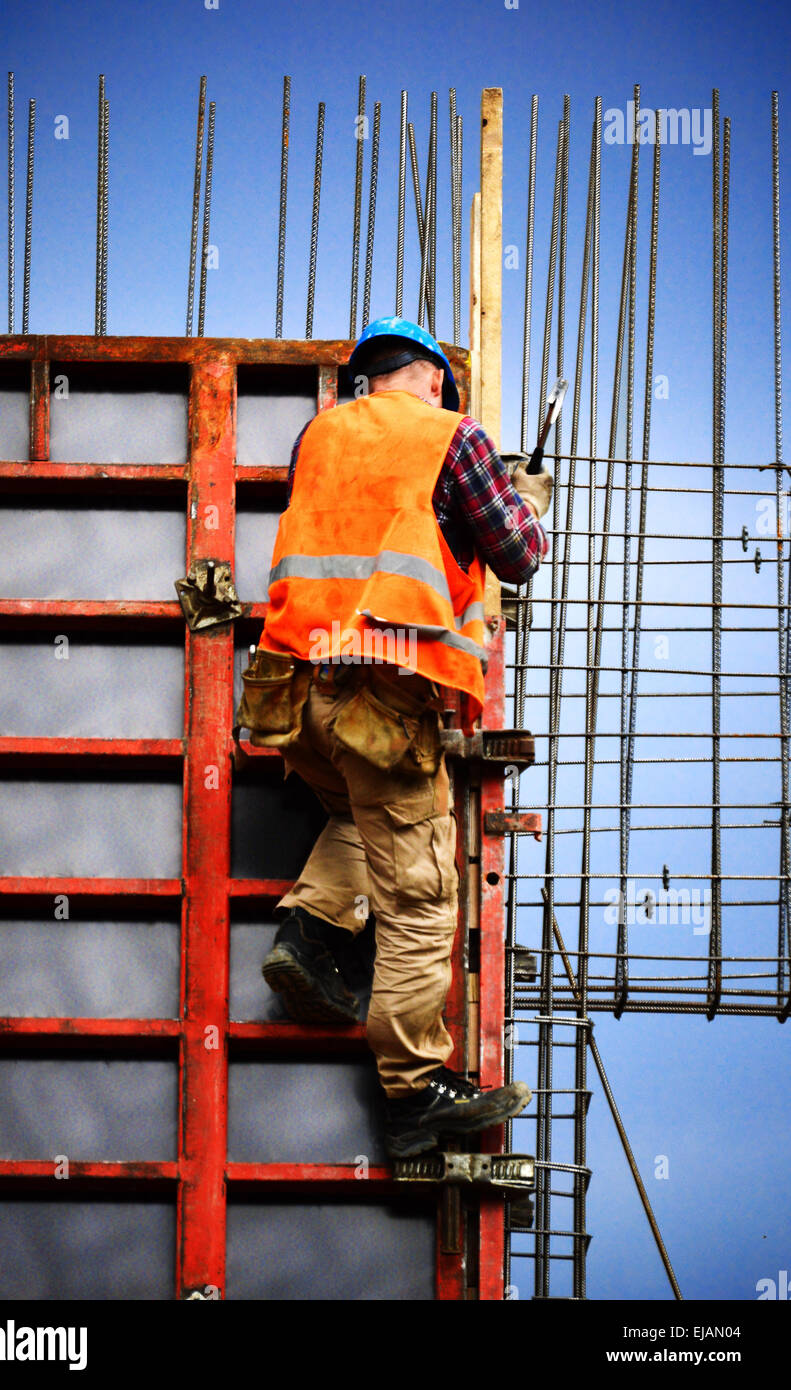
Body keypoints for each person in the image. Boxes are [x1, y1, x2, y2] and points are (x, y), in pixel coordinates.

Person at [237, 317, 552, 1159]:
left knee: (356, 815)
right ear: (433, 380)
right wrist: (524, 498)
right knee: (419, 896)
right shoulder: (453, 437)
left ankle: (307, 935)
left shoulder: (318, 436)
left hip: (294, 693)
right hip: (382, 699)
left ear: (363, 380)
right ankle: (417, 1092)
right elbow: (516, 555)